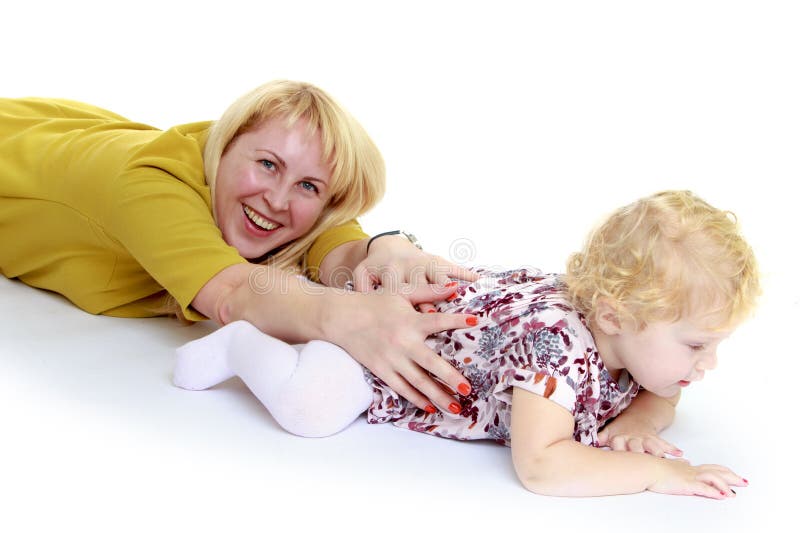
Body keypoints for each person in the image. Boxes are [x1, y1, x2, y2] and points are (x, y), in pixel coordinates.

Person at [173, 190, 760, 499]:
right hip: (372, 352)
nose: (705, 368)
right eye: (695, 347)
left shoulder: (632, 345)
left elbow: (664, 393)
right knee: (311, 409)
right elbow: (543, 465)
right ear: (614, 313)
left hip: (400, 316)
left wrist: (643, 422)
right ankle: (240, 346)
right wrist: (657, 475)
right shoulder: (556, 351)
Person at [0, 80, 480, 414]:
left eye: (308, 185)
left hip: (59, 130)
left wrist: (388, 249)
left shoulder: (259, 193)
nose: (277, 199)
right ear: (225, 144)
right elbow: (235, 295)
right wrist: (350, 318)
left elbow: (335, 243)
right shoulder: (147, 188)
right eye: (268, 164)